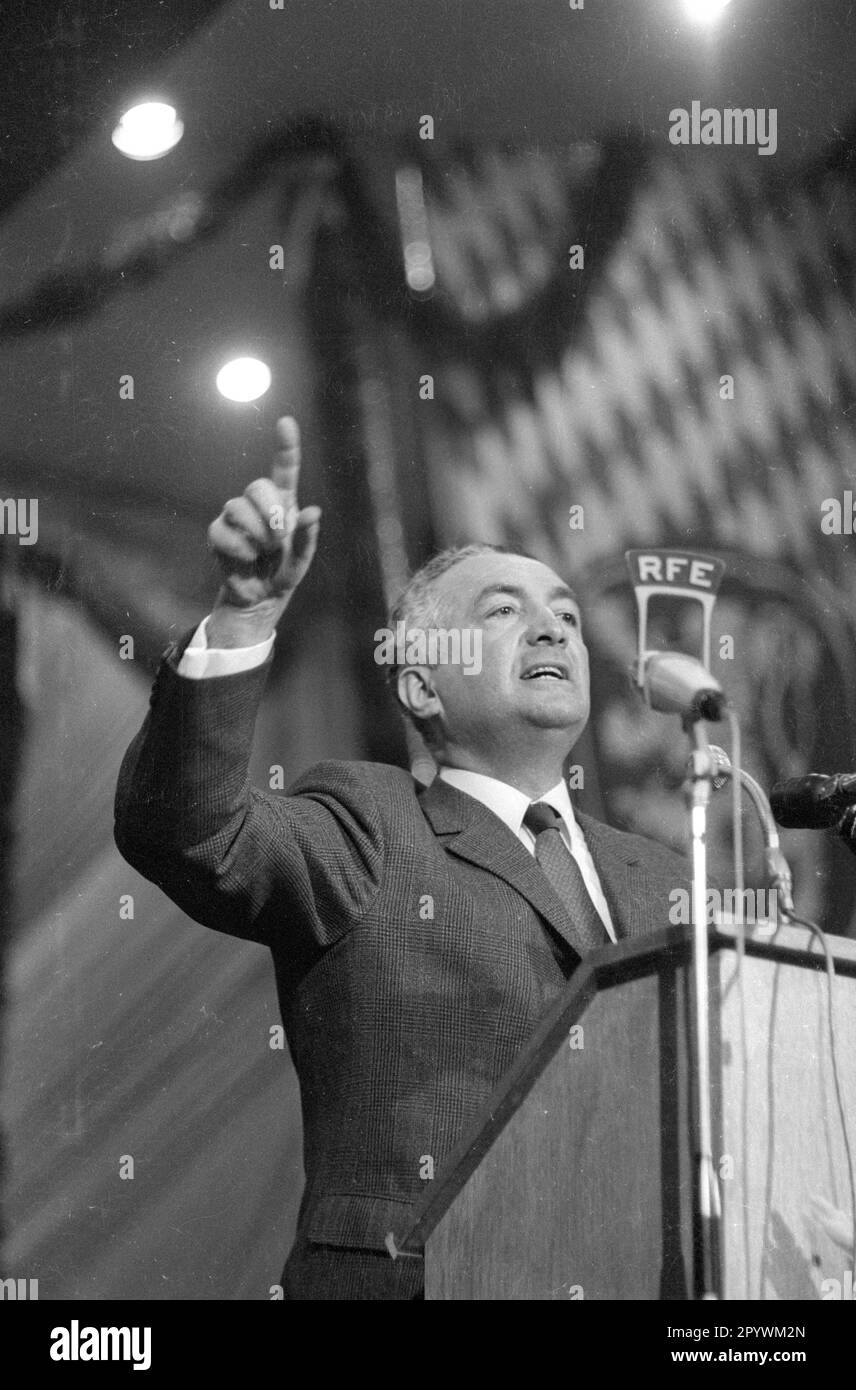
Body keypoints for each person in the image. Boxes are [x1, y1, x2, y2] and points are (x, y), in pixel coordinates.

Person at [114, 415, 692, 1300]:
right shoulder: (370, 824)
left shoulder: (666, 879)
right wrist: (244, 612)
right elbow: (187, 829)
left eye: (567, 617)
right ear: (421, 682)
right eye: (505, 612)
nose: (553, 631)